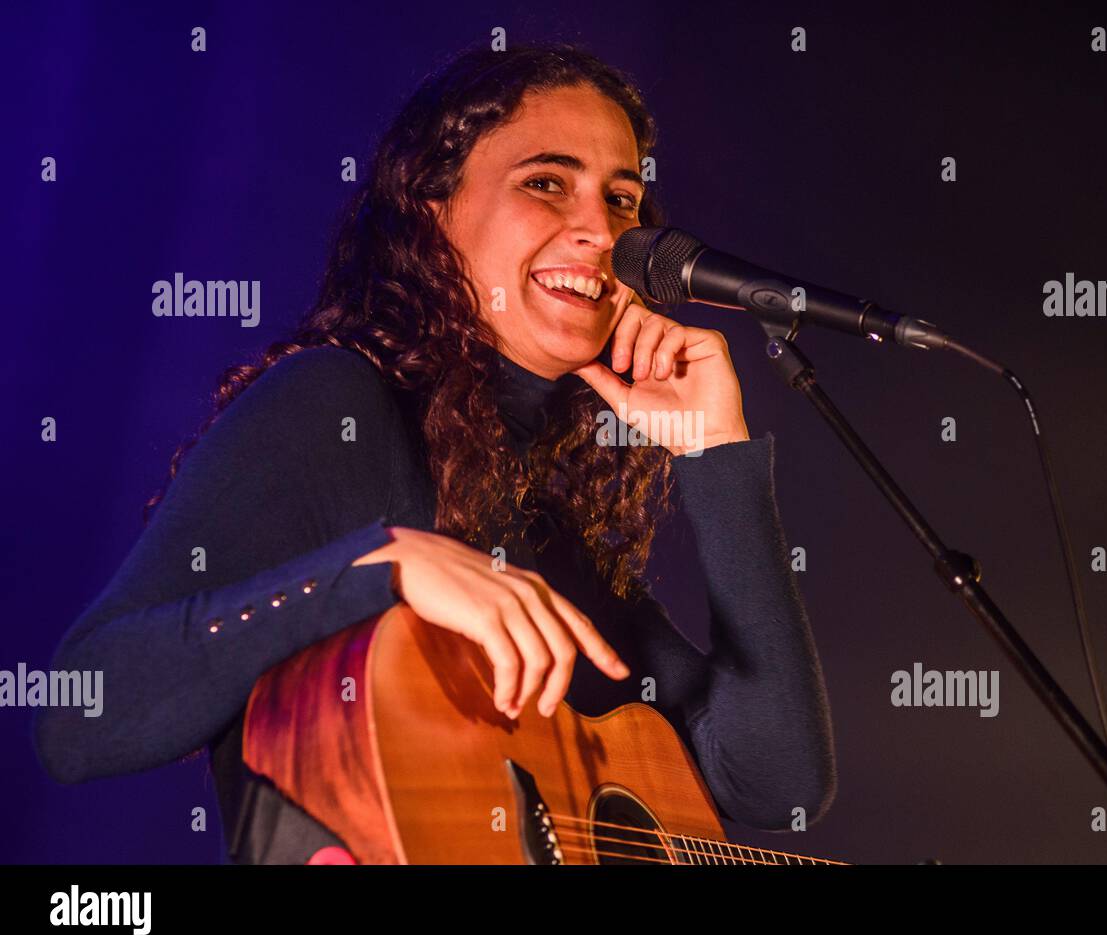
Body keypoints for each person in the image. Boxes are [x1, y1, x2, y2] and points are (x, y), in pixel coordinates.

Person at [34, 43, 836, 864]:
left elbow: (779, 786)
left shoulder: (551, 521)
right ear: (431, 207)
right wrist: (375, 570)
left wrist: (717, 458)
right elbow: (81, 712)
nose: (601, 231)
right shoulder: (335, 402)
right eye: (546, 182)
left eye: (623, 200)